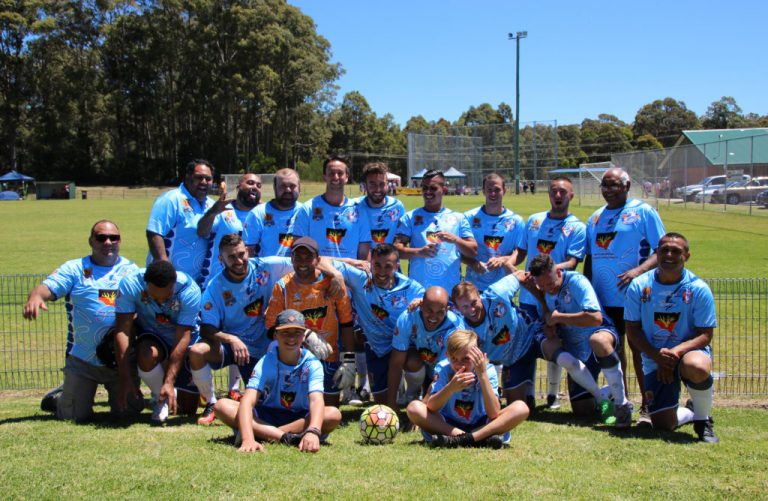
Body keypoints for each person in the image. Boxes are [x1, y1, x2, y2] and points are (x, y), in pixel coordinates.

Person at [22, 220, 142, 421]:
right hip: (83, 359)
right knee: (74, 417)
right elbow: (47, 288)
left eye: (114, 238)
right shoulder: (75, 269)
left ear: (120, 241)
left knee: (127, 414)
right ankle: (58, 397)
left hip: (120, 360)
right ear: (91, 241)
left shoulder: (133, 272)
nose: (108, 242)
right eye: (101, 237)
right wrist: (35, 297)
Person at [584, 167, 666, 421]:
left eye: (613, 185)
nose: (608, 190)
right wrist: (587, 291)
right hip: (603, 299)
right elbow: (589, 257)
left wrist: (637, 271)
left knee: (639, 351)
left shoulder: (643, 212)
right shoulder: (595, 218)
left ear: (627, 186)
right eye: (604, 185)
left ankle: (649, 406)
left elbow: (662, 249)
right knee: (613, 352)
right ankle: (623, 403)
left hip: (635, 297)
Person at [189, 233, 294, 425]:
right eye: (231, 257)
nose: (239, 261)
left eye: (241, 254)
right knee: (197, 351)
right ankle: (211, 403)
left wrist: (344, 266)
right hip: (237, 350)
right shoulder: (215, 287)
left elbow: (307, 261)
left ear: (247, 251)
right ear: (221, 259)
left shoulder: (266, 266)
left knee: (269, 407)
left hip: (268, 347)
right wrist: (232, 339)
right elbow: (206, 329)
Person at [624, 233, 719, 442]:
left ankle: (703, 420)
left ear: (687, 256)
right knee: (663, 425)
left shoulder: (698, 288)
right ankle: (691, 411)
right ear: (656, 253)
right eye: (664, 250)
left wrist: (675, 352)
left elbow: (705, 335)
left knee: (698, 366)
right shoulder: (639, 286)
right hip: (654, 357)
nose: (669, 255)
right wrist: (657, 357)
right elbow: (632, 329)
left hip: (687, 353)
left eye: (676, 251)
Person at [213, 309, 342, 453]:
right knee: (221, 406)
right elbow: (248, 401)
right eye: (285, 332)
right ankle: (286, 438)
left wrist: (313, 431)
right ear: (275, 335)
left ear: (304, 336)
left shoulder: (312, 363)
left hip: (300, 418)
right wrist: (248, 439)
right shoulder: (267, 361)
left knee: (333, 414)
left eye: (297, 332)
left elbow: (316, 400)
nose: (291, 338)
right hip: (267, 415)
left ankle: (266, 434)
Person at [528, 253, 631, 427]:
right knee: (583, 410)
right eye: (542, 286)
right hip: (577, 351)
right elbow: (548, 318)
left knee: (598, 341)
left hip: (600, 333)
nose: (548, 288)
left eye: (550, 283)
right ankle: (605, 395)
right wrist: (550, 327)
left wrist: (560, 317)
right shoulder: (542, 291)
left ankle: (622, 404)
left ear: (559, 272)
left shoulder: (576, 281)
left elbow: (595, 317)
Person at [515, 176, 586, 408]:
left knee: (554, 339)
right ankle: (528, 393)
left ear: (571, 196)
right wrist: (510, 261)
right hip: (528, 295)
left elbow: (573, 262)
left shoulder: (577, 227)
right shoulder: (534, 220)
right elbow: (522, 251)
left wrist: (544, 273)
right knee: (527, 342)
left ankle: (553, 395)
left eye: (563, 192)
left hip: (556, 295)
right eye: (554, 191)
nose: (558, 195)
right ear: (548, 194)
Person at [264, 237, 355, 407]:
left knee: (329, 408)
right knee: (295, 407)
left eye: (308, 257)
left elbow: (347, 324)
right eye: (298, 257)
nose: (303, 262)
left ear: (318, 260)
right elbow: (270, 328)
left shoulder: (333, 284)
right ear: (291, 259)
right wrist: (304, 334)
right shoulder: (282, 287)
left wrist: (349, 361)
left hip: (329, 356)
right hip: (295, 357)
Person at [332, 244, 425, 404]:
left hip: (403, 346)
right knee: (382, 403)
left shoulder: (411, 287)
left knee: (414, 362)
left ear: (397, 267)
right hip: (377, 348)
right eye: (377, 265)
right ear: (371, 264)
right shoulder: (361, 278)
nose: (382, 271)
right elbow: (320, 260)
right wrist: (340, 270)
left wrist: (423, 301)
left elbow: (435, 303)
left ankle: (412, 394)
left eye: (388, 266)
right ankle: (391, 390)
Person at [196, 173, 262, 396]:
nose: (254, 187)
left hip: (252, 280)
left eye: (258, 184)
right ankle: (219, 397)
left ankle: (237, 389)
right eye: (249, 182)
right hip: (223, 282)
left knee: (247, 321)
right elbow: (202, 231)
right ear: (237, 186)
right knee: (229, 326)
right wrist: (215, 209)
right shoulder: (224, 211)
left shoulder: (262, 212)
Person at [406, 330, 529, 448]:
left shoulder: (487, 370)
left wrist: (482, 376)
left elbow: (493, 413)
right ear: (447, 355)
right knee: (414, 408)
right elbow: (431, 406)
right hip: (448, 423)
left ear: (477, 355)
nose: (459, 364)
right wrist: (450, 388)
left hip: (482, 423)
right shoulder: (443, 368)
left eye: (466, 359)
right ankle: (478, 439)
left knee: (521, 408)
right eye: (454, 359)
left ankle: (463, 439)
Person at [113, 260, 201, 423]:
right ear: (146, 284)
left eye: (167, 296)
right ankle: (161, 399)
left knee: (187, 409)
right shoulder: (130, 284)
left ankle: (169, 389)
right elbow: (122, 330)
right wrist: (125, 377)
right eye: (154, 297)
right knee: (146, 355)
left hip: (182, 338)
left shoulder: (189, 289)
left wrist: (170, 381)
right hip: (153, 335)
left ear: (174, 284)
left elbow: (183, 336)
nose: (161, 302)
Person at [394, 170, 477, 290]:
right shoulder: (410, 218)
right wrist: (419, 252)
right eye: (425, 188)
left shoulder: (459, 218)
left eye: (433, 188)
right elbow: (396, 250)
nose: (428, 192)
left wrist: (455, 240)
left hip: (451, 293)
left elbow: (473, 251)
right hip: (419, 292)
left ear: (443, 189)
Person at [386, 286, 465, 410]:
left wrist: (422, 410)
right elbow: (396, 363)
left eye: (440, 312)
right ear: (421, 305)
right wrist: (391, 405)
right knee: (411, 361)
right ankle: (412, 396)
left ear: (448, 309)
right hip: (421, 364)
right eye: (429, 310)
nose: (433, 316)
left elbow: (444, 370)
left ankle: (424, 402)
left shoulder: (455, 327)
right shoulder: (408, 317)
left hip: (443, 375)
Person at [145, 159, 215, 288]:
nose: (204, 182)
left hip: (196, 284)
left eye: (208, 179)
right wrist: (164, 269)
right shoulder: (171, 199)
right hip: (169, 282)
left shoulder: (212, 205)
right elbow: (154, 232)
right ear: (187, 176)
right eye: (199, 177)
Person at [292, 155, 371, 259]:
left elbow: (364, 255)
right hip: (318, 274)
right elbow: (299, 252)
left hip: (349, 274)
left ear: (347, 177)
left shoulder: (359, 211)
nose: (336, 177)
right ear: (324, 176)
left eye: (340, 173)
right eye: (331, 173)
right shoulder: (308, 209)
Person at [463, 172, 524, 292]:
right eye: (489, 190)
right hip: (473, 287)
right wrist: (473, 262)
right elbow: (459, 250)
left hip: (503, 287)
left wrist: (503, 260)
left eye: (497, 190)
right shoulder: (468, 218)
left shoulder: (516, 221)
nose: (493, 194)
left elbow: (520, 252)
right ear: (483, 191)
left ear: (504, 190)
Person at [244, 168, 302, 258]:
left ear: (299, 188)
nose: (287, 190)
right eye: (282, 186)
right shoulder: (257, 214)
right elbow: (248, 251)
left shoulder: (306, 212)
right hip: (267, 271)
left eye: (292, 186)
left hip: (299, 271)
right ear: (274, 188)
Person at [355, 162, 406, 249]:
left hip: (390, 262)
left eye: (382, 184)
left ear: (387, 184)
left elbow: (403, 238)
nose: (377, 189)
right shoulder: (355, 207)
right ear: (365, 185)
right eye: (372, 184)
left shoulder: (397, 206)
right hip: (363, 262)